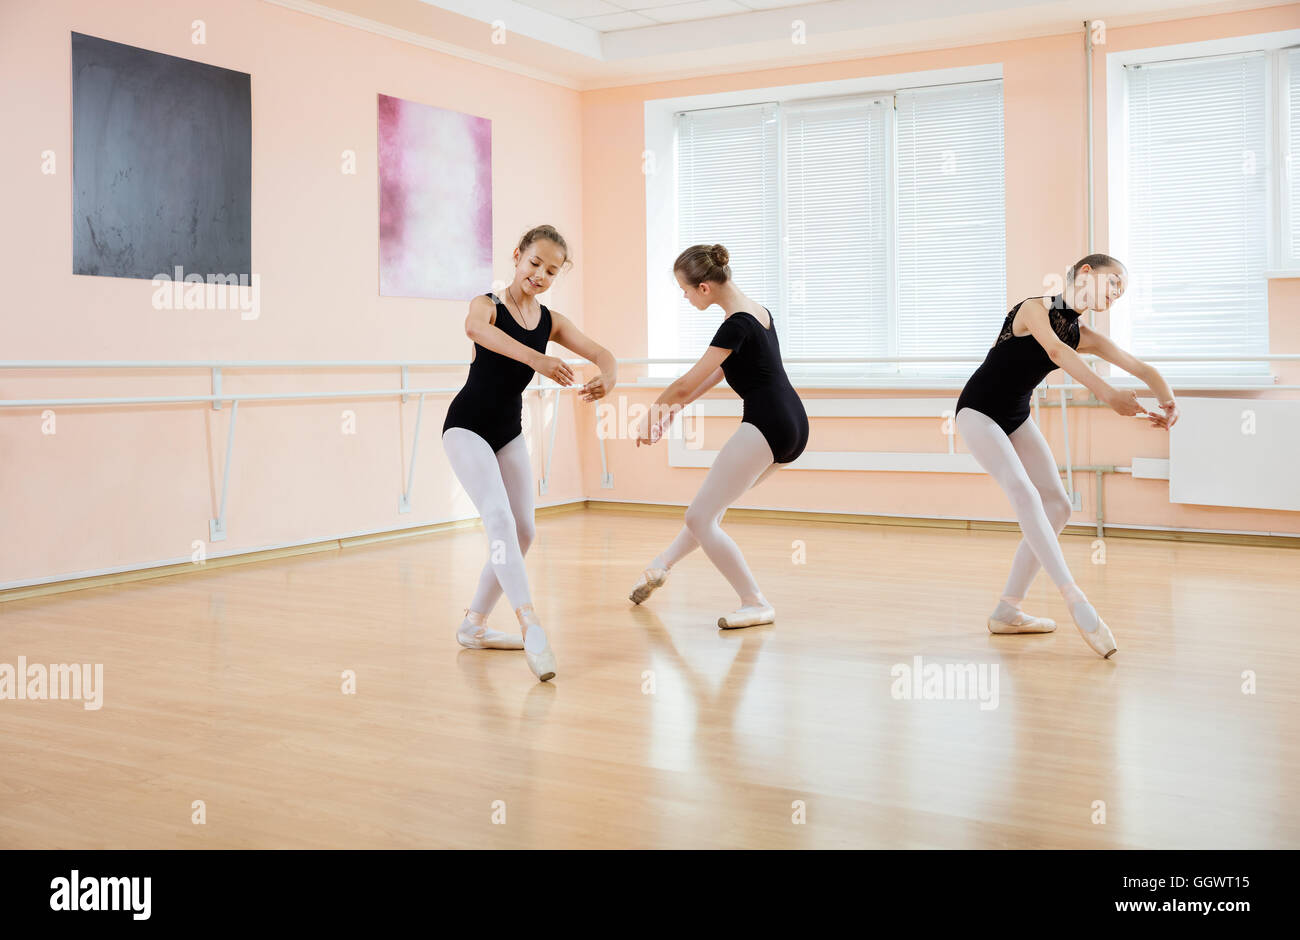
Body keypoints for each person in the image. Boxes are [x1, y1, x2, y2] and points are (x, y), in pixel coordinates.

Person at [954, 253, 1179, 657]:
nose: (1115, 295)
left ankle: (1008, 610)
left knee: (1057, 505)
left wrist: (1168, 401)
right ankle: (1073, 596)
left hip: (1016, 417)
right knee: (1023, 492)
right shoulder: (1033, 308)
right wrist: (1107, 393)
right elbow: (1057, 353)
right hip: (977, 412)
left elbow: (1139, 366)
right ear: (1086, 273)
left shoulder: (1085, 334)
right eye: (1113, 284)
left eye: (1121, 293)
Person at [442, 224, 618, 680]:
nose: (539, 275)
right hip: (466, 427)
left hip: (509, 431)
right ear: (517, 256)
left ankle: (474, 624)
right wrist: (538, 360)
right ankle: (530, 623)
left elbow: (602, 353)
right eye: (534, 263)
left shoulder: (551, 320)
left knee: (523, 532)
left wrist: (608, 375)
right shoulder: (489, 304)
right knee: (497, 519)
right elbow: (475, 330)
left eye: (551, 271)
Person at [630, 243, 809, 629]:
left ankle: (754, 601)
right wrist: (669, 415)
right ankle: (660, 567)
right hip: (792, 422)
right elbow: (715, 377)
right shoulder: (756, 313)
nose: (684, 296)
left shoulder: (735, 324)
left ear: (704, 288)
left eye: (685, 289)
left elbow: (685, 383)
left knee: (699, 515)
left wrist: (651, 415)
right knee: (709, 513)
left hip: (767, 422)